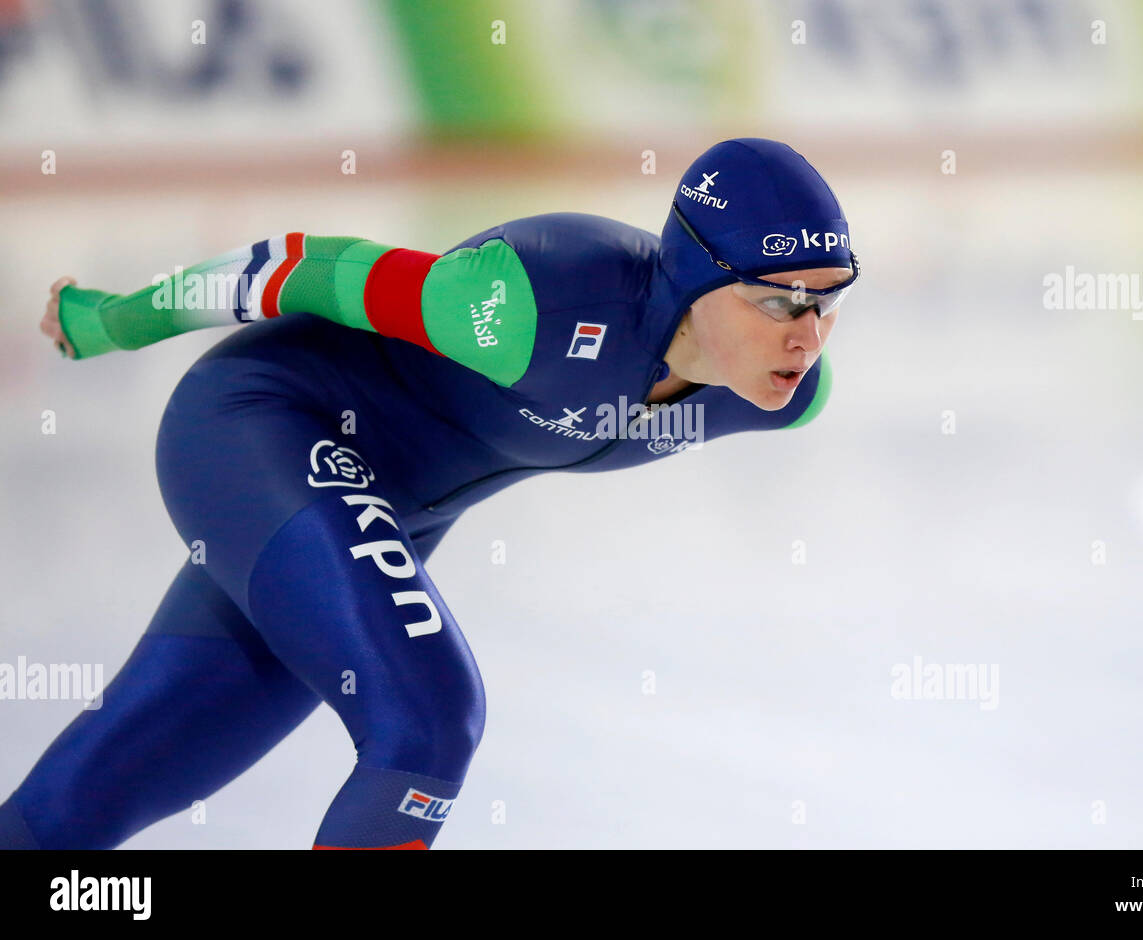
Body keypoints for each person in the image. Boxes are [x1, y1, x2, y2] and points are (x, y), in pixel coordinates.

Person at [3, 137, 856, 849]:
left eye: (829, 301)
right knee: (428, 722)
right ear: (694, 276)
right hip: (263, 424)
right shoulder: (537, 302)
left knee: (86, 803)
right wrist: (108, 320)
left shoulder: (779, 398)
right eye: (780, 301)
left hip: (374, 512)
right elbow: (298, 267)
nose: (808, 336)